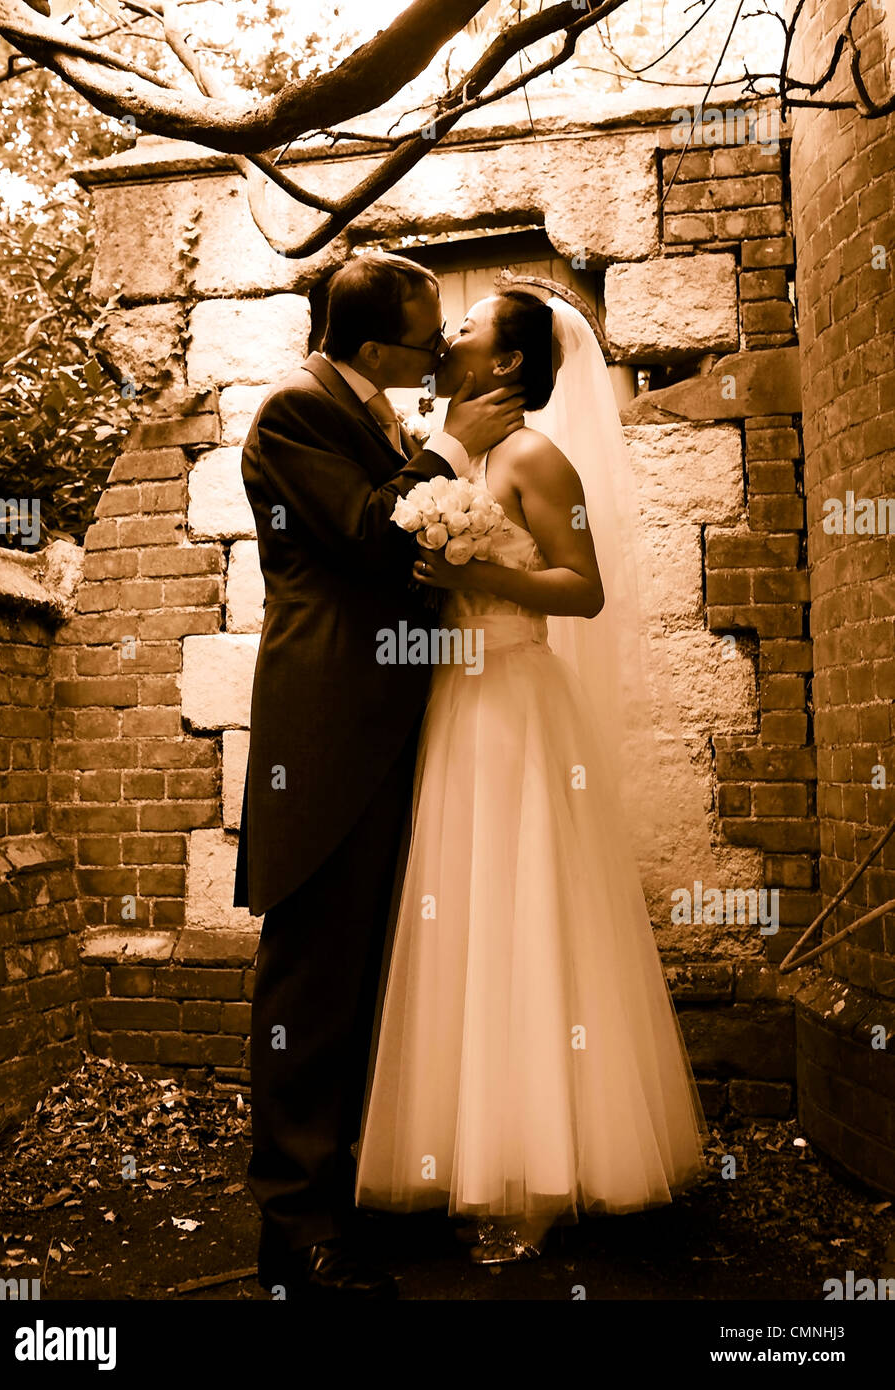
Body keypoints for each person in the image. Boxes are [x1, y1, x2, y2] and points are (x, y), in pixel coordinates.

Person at [353, 288, 716, 1264]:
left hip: (516, 702)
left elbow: (583, 587)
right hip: (456, 709)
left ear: (510, 364)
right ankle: (468, 1151)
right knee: (463, 922)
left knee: (526, 919)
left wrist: (487, 575)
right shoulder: (458, 451)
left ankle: (544, 1176)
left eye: (467, 326)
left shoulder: (538, 457)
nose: (449, 334)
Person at [232, 252, 525, 1298]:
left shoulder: (383, 417)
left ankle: (357, 1191)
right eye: (425, 338)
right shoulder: (293, 412)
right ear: (369, 344)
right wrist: (450, 447)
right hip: (327, 725)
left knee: (377, 974)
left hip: (402, 717)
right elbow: (366, 532)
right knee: (313, 976)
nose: (441, 351)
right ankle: (295, 1227)